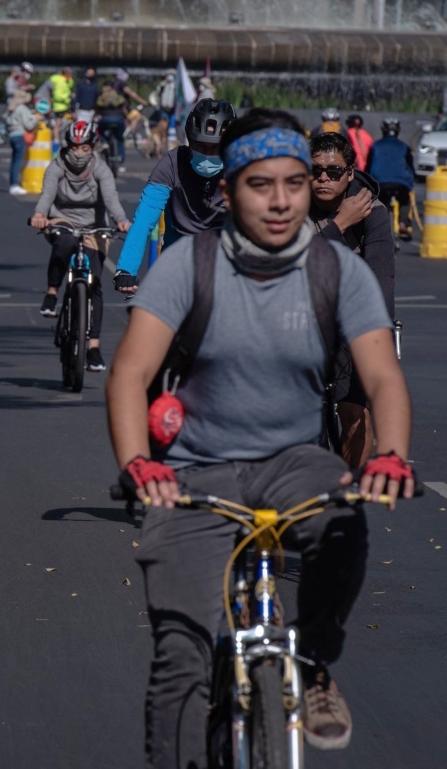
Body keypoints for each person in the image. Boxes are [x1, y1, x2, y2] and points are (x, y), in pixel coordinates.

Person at [106, 108, 415, 769]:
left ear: (311, 189)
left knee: (346, 524)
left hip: (296, 461)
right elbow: (130, 372)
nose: (279, 201)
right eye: (259, 184)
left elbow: (383, 376)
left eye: (296, 184)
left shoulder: (338, 271)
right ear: (227, 190)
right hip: (195, 470)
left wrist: (389, 454)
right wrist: (138, 462)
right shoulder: (187, 264)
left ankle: (315, 662)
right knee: (181, 661)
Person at [308, 130, 395, 469]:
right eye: (315, 171)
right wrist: (340, 223)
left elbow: (380, 280)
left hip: (351, 317)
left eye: (333, 172)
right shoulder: (292, 203)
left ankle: (347, 489)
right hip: (301, 312)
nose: (323, 179)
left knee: (355, 413)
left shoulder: (374, 212)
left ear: (349, 173)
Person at [30, 120, 131, 372]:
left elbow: (111, 198)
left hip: (94, 226)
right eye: (74, 147)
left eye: (85, 148)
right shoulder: (56, 167)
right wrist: (40, 215)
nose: (79, 153)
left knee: (95, 281)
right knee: (63, 243)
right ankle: (52, 292)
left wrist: (121, 221)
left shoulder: (101, 168)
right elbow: (46, 195)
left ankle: (93, 347)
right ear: (67, 146)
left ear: (92, 147)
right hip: (62, 219)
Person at [113, 99, 237, 293]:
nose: (206, 155)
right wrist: (126, 269)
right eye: (200, 146)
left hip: (223, 254)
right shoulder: (172, 163)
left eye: (215, 149)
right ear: (189, 140)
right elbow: (144, 219)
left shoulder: (238, 168)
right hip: (178, 256)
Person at [366, 117, 417, 241]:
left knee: (381, 202)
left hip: (380, 183)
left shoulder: (375, 146)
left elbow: (368, 167)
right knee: (405, 200)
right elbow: (411, 167)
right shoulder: (404, 147)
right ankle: (403, 223)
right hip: (401, 183)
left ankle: (380, 226)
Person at [6, 89, 38, 195]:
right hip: (20, 135)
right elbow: (28, 125)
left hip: (12, 135)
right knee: (18, 161)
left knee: (14, 161)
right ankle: (15, 185)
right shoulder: (22, 109)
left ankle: (13, 183)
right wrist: (35, 119)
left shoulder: (11, 108)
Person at [95, 81, 128, 168]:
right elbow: (124, 107)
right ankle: (121, 158)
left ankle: (104, 142)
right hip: (118, 119)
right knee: (120, 140)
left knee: (99, 130)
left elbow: (97, 107)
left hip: (105, 119)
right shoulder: (118, 97)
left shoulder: (102, 97)